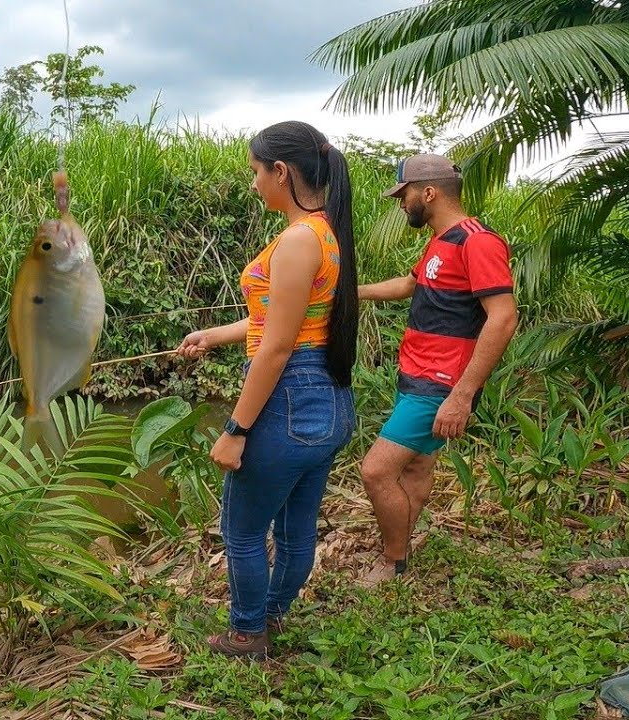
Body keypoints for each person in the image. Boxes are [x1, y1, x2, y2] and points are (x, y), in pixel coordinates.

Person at [176, 121, 358, 659]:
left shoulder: (298, 240)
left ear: (281, 171)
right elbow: (279, 321)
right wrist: (213, 335)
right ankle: (271, 616)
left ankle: (247, 633)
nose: (254, 183)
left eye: (256, 171)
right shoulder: (326, 233)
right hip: (327, 396)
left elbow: (276, 348)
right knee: (297, 530)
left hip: (289, 393)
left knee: (242, 531)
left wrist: (236, 429)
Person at [356, 153, 519, 586]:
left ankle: (392, 561)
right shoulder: (442, 239)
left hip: (441, 382)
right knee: (415, 468)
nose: (400, 204)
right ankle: (402, 548)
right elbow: (411, 285)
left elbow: (503, 317)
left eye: (404, 195)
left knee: (376, 470)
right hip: (416, 373)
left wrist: (461, 395)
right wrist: (350, 292)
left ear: (428, 193)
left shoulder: (478, 242)